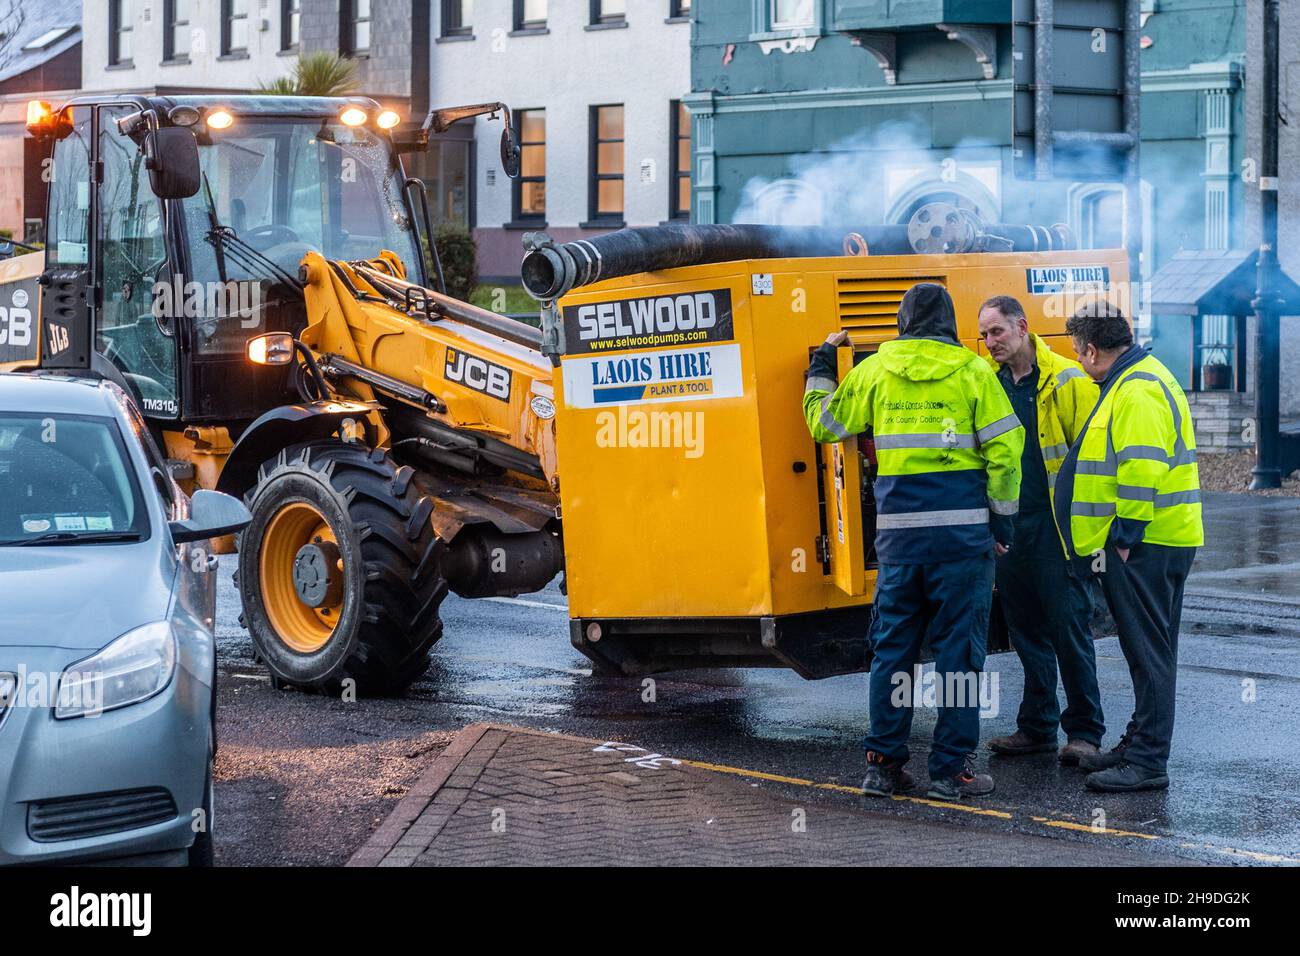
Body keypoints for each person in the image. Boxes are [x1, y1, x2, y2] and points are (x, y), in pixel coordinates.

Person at [803, 283, 1023, 801]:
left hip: (900, 547)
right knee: (958, 657)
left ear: (902, 322)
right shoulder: (974, 373)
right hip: (963, 544)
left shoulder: (874, 371)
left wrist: (819, 368)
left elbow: (823, 423)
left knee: (892, 651)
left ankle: (882, 767)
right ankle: (950, 772)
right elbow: (1006, 456)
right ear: (949, 323)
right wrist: (1002, 524)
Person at [1054, 302, 1203, 792]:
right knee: (1148, 653)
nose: (1078, 362)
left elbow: (1142, 468)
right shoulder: (1132, 379)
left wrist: (1123, 539)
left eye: (1078, 353)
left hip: (1146, 545)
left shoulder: (1136, 389)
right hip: (1152, 542)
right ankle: (1139, 745)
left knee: (1149, 655)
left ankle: (1148, 763)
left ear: (1094, 350)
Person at [977, 296, 1105, 766]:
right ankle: (1036, 728)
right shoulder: (988, 383)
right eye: (985, 335)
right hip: (1011, 529)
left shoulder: (1067, 379)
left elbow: (1092, 459)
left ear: (1023, 328)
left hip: (1058, 531)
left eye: (997, 332)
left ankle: (1085, 733)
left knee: (1069, 629)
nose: (990, 342)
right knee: (1026, 632)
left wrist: (1091, 535)